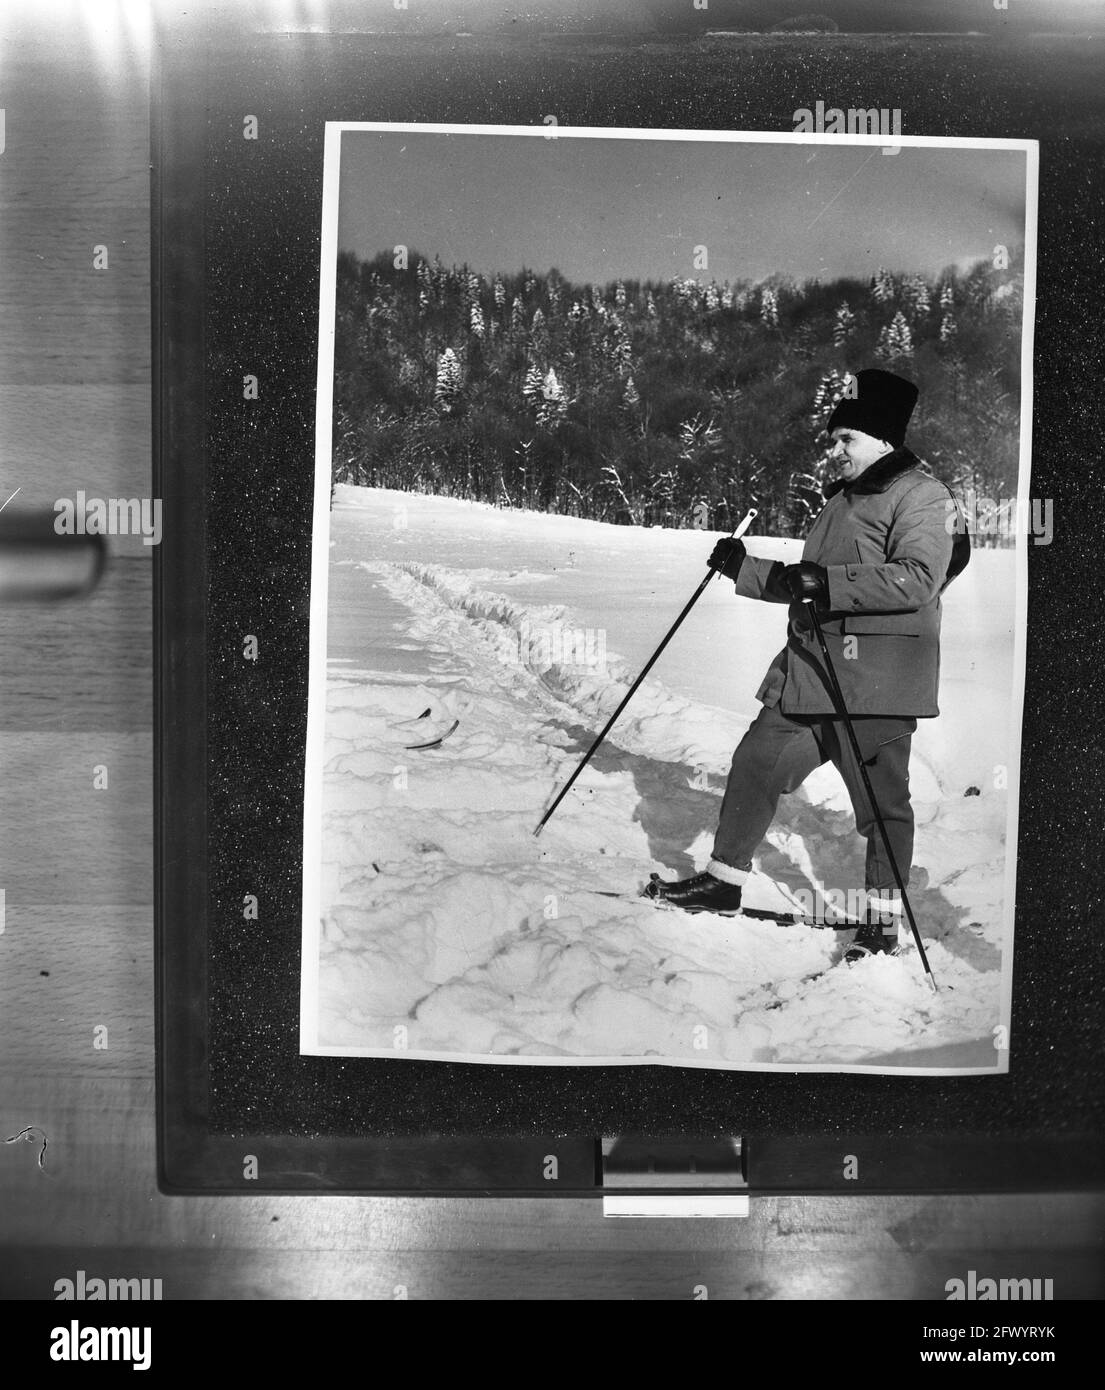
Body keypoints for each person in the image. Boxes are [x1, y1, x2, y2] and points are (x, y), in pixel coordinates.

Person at [646, 368, 970, 963]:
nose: (834, 450)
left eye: (844, 438)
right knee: (755, 763)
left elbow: (920, 580)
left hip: (876, 681)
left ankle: (880, 923)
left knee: (880, 805)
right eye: (833, 439)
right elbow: (810, 586)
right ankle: (722, 880)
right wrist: (742, 568)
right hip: (812, 671)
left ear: (881, 440)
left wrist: (825, 581)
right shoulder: (844, 502)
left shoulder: (923, 496)